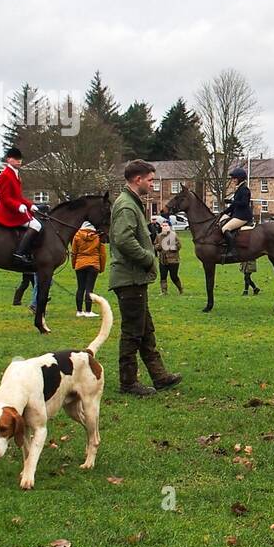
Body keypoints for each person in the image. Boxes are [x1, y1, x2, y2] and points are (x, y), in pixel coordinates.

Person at [109, 160, 183, 396]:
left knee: (145, 329)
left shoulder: (132, 204)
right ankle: (128, 383)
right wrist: (148, 259)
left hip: (135, 279)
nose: (153, 184)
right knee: (132, 332)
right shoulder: (126, 206)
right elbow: (123, 240)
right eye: (150, 180)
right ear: (137, 179)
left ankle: (159, 376)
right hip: (128, 278)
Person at [0, 147, 41, 265]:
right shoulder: (5, 175)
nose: (19, 161)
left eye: (20, 159)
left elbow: (18, 196)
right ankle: (19, 253)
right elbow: (5, 198)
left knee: (37, 220)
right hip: (8, 211)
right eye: (16, 159)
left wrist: (30, 205)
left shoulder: (15, 174)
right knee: (36, 225)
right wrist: (18, 206)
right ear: (9, 160)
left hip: (15, 209)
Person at [71, 221, 106, 317]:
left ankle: (79, 311)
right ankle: (88, 311)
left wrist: (74, 264)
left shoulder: (77, 236)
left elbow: (73, 252)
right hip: (93, 264)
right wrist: (101, 268)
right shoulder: (98, 237)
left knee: (80, 288)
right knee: (89, 288)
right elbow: (102, 254)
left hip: (80, 263)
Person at [219, 167, 252, 259]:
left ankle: (232, 251)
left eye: (234, 178)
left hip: (243, 216)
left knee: (225, 228)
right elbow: (234, 206)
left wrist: (231, 202)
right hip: (237, 214)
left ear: (240, 179)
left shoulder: (244, 190)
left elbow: (244, 203)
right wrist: (224, 213)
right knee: (220, 222)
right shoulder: (239, 189)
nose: (233, 180)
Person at [155, 221, 183, 295]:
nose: (164, 227)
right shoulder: (159, 236)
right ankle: (164, 292)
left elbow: (179, 245)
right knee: (163, 276)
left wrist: (172, 248)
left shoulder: (174, 235)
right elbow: (155, 244)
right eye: (163, 225)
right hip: (162, 260)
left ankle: (180, 289)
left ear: (169, 226)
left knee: (174, 276)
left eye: (166, 225)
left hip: (173, 260)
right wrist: (157, 247)